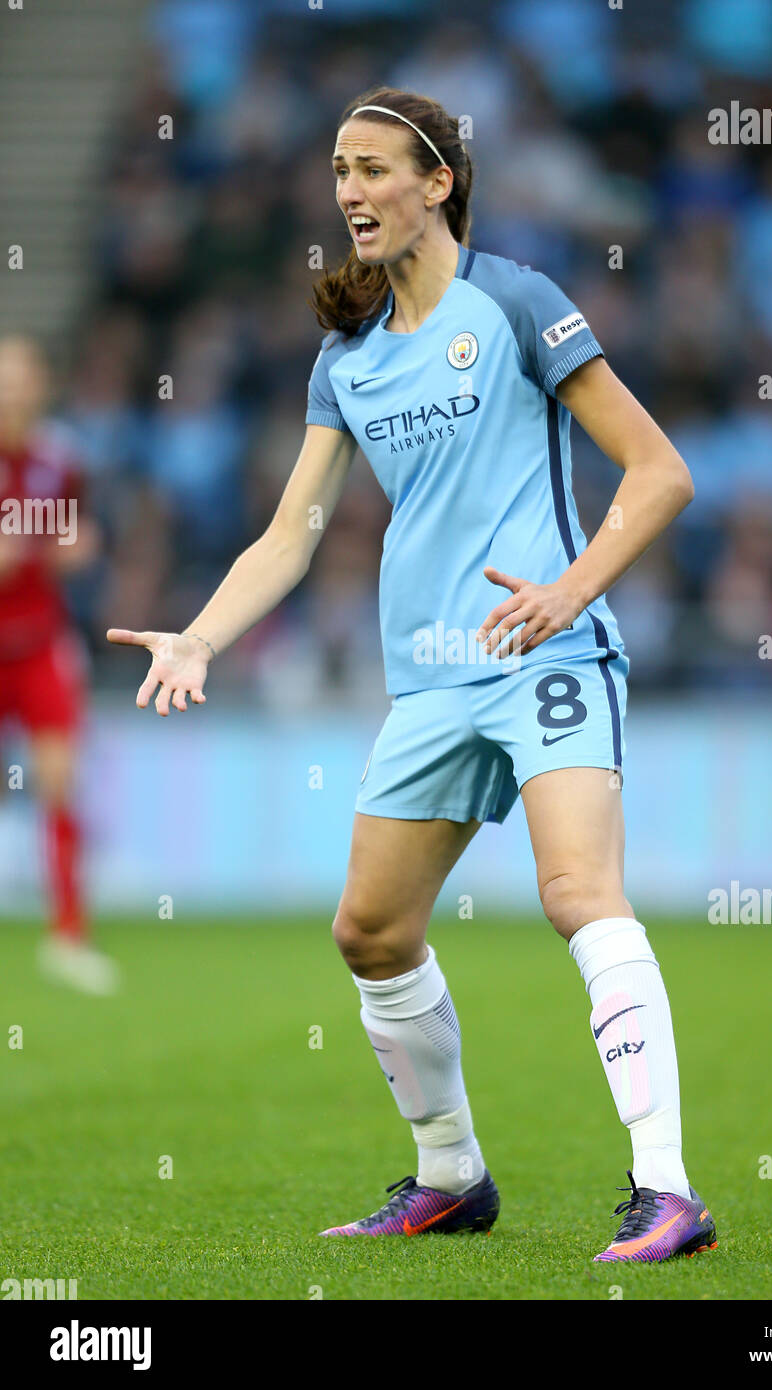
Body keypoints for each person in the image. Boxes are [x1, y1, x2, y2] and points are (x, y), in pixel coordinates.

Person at [107, 87, 717, 1263]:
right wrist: (198, 636)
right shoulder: (347, 357)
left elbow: (658, 472)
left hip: (545, 650)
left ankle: (668, 1189)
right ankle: (451, 1177)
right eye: (339, 169)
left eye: (375, 167)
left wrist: (569, 589)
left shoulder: (520, 301)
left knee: (576, 892)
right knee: (371, 931)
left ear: (436, 183)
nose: (349, 190)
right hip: (430, 680)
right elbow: (291, 532)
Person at [0, 336, 117, 995]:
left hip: (40, 640)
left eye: (20, 379)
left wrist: (74, 547)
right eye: (2, 380)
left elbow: (84, 533)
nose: (10, 391)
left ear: (40, 386)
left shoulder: (59, 460)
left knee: (59, 783)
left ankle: (69, 935)